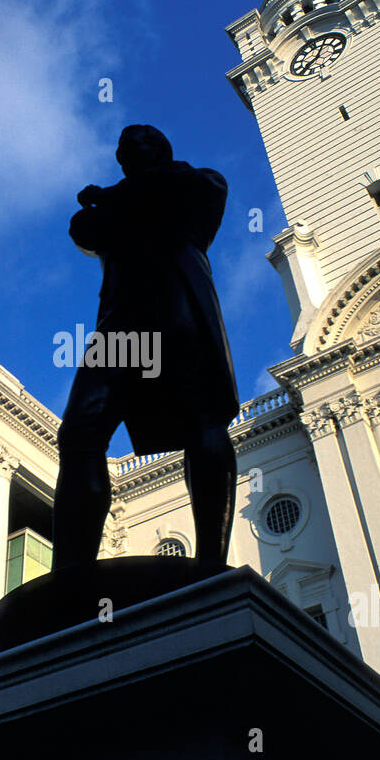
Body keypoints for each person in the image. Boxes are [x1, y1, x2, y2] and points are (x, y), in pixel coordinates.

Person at [52, 124, 238, 570]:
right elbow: (83, 230)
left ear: (161, 150)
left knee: (203, 423)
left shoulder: (194, 182)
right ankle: (70, 574)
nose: (127, 153)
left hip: (180, 309)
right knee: (79, 432)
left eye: (138, 144)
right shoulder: (116, 205)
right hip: (121, 327)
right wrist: (115, 199)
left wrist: (117, 194)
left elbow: (200, 190)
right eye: (122, 150)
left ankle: (211, 560)